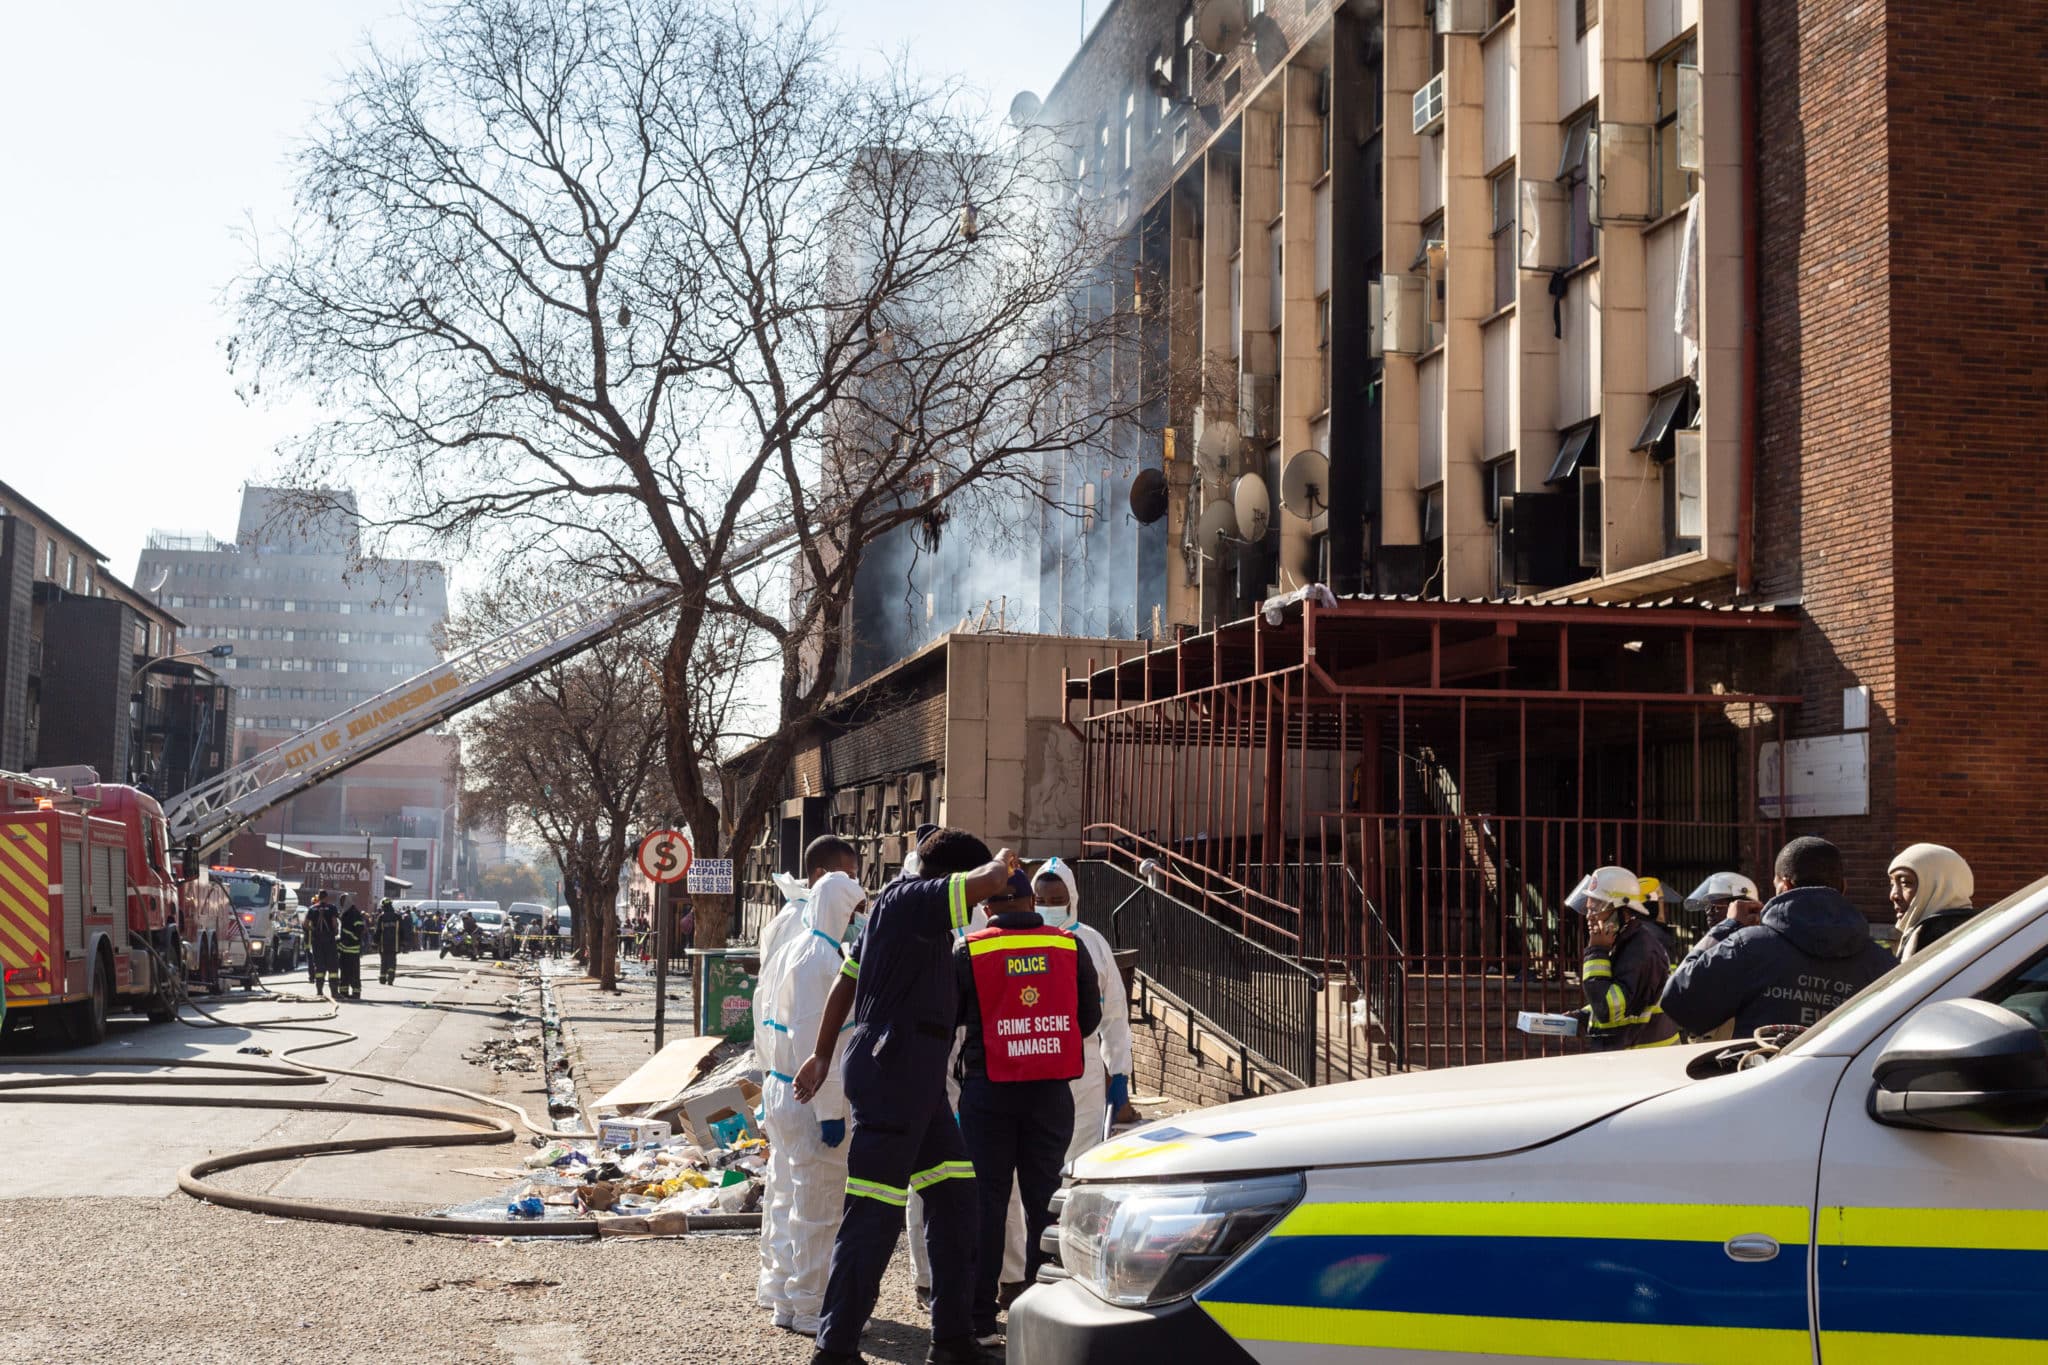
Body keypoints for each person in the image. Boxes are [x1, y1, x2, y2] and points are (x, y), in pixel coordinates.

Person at [793, 830, 1021, 1365]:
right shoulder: (911, 898)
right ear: (949, 880)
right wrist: (1002, 865)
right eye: (973, 899)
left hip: (915, 1077)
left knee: (957, 1198)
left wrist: (823, 1053)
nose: (981, 908)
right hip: (896, 1072)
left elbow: (848, 981)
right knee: (873, 1212)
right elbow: (988, 878)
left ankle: (952, 1338)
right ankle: (835, 1347)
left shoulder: (900, 916)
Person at [954, 868, 1101, 1347]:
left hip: (989, 1090)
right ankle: (1046, 1316)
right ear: (1030, 903)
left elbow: (951, 1017)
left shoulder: (969, 950)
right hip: (1049, 1092)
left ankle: (979, 1320)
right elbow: (1089, 1018)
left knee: (987, 1204)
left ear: (989, 907)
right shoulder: (1067, 946)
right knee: (1046, 1204)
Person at [993, 858, 1131, 1301]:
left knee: (1078, 1173)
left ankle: (1076, 1269)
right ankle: (1017, 1274)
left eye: (1059, 901)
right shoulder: (1019, 942)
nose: (1052, 908)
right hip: (1031, 1071)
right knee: (1024, 1181)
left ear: (1073, 899)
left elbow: (1113, 1015)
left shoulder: (1090, 943)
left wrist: (1120, 1074)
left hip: (1083, 1074)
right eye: (1044, 900)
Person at [755, 837, 862, 1319]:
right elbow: (817, 1044)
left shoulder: (796, 944)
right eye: (854, 904)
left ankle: (780, 1293)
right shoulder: (822, 959)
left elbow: (769, 1019)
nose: (859, 914)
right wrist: (830, 1109)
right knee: (817, 1208)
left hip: (781, 1089)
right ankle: (808, 1304)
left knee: (786, 1197)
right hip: (810, 1096)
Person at [1661, 836, 1896, 1040]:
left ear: (1783, 886)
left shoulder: (1749, 947)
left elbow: (1679, 1000)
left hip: (1765, 1085)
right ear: (1843, 887)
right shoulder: (1884, 966)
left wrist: (1727, 927)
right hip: (1845, 1088)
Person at [1566, 866, 1678, 1050]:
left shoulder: (1641, 950)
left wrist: (1596, 952)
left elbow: (1608, 1009)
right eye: (1589, 909)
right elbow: (1626, 1000)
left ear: (1624, 912)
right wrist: (1583, 1015)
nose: (1590, 917)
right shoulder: (1622, 942)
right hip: (1628, 1059)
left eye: (1598, 908)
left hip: (1645, 1063)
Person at [1888, 843, 1978, 958]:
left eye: (1906, 883)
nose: (1893, 895)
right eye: (1892, 884)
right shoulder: (1975, 929)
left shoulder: (1932, 939)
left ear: (1940, 886)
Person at [305, 893, 340, 998]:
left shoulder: (312, 908)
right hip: (329, 940)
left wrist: (313, 930)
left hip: (317, 941)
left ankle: (319, 991)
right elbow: (334, 923)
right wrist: (335, 930)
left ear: (318, 898)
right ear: (326, 897)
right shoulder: (332, 908)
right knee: (333, 966)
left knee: (319, 966)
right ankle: (334, 992)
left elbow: (305, 924)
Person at [337, 896, 367, 1000]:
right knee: (344, 972)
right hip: (344, 948)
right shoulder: (345, 913)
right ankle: (344, 992)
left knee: (354, 972)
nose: (340, 904)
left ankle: (356, 993)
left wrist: (351, 937)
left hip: (353, 948)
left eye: (342, 902)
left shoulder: (354, 913)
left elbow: (359, 930)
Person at [376, 898, 403, 986]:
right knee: (392, 961)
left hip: (383, 944)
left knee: (384, 961)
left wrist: (375, 942)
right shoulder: (397, 916)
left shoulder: (381, 917)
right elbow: (402, 930)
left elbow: (378, 931)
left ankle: (382, 978)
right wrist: (403, 942)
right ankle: (391, 977)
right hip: (394, 944)